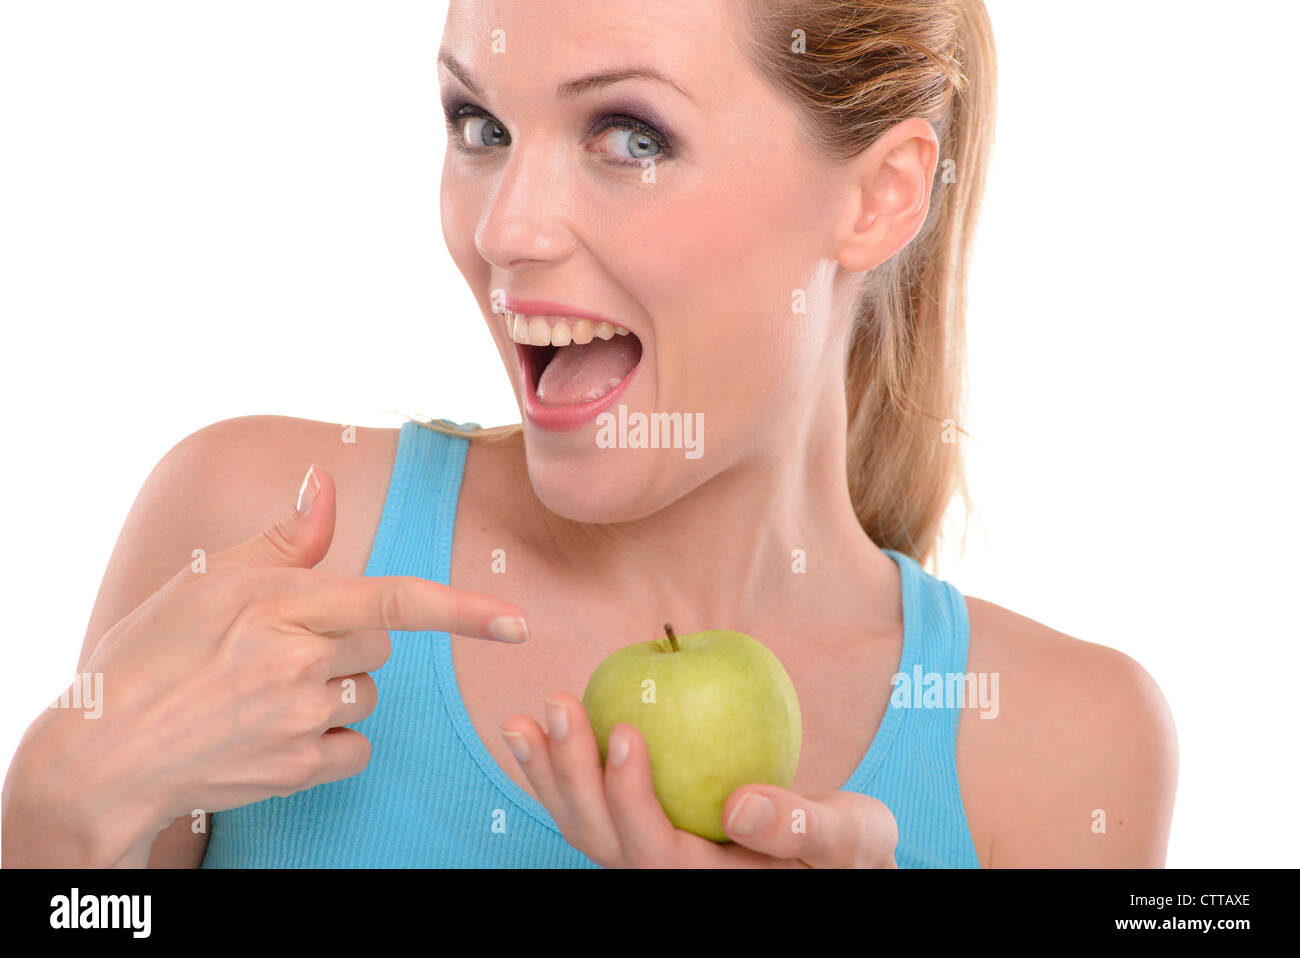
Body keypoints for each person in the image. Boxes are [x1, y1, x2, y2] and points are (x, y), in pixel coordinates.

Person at [2, 0, 1176, 868]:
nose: (504, 230)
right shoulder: (269, 538)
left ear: (878, 196)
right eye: (479, 125)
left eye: (630, 136)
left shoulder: (1065, 746)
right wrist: (58, 812)